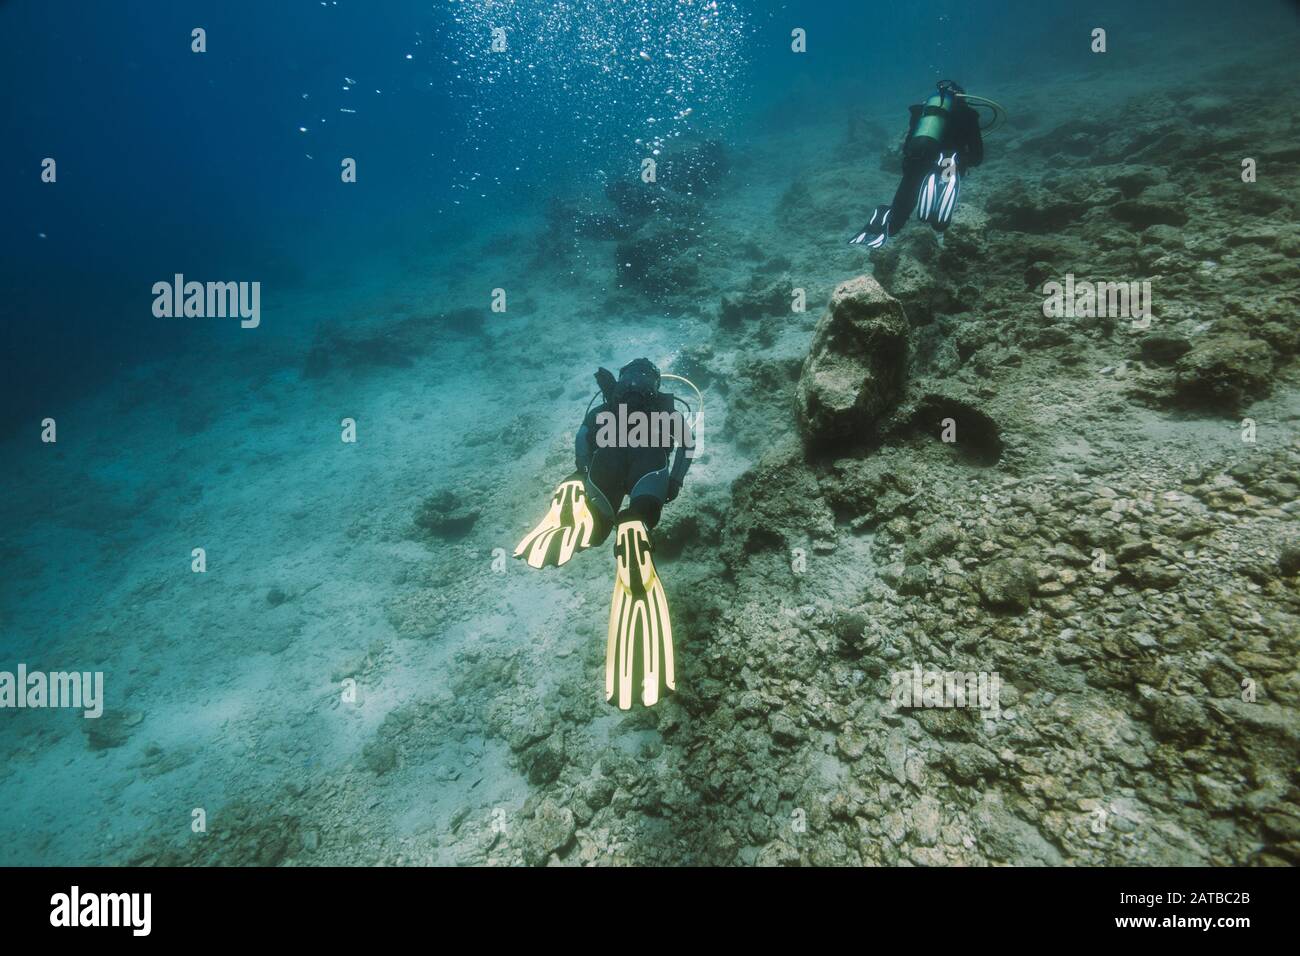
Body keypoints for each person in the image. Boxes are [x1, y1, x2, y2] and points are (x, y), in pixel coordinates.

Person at [514, 359, 700, 710]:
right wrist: (674, 480)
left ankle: (581, 504)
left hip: (605, 464)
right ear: (656, 385)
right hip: (651, 465)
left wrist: (582, 469)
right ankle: (635, 527)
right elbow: (688, 445)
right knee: (639, 515)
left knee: (597, 525)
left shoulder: (605, 408)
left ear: (623, 381)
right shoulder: (667, 411)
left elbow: (584, 435)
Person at [850, 80, 1000, 249]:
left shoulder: (923, 113)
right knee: (939, 223)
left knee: (902, 207)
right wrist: (964, 159)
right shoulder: (968, 114)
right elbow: (977, 157)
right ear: (962, 98)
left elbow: (907, 147)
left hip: (917, 161)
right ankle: (934, 221)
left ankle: (884, 222)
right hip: (947, 167)